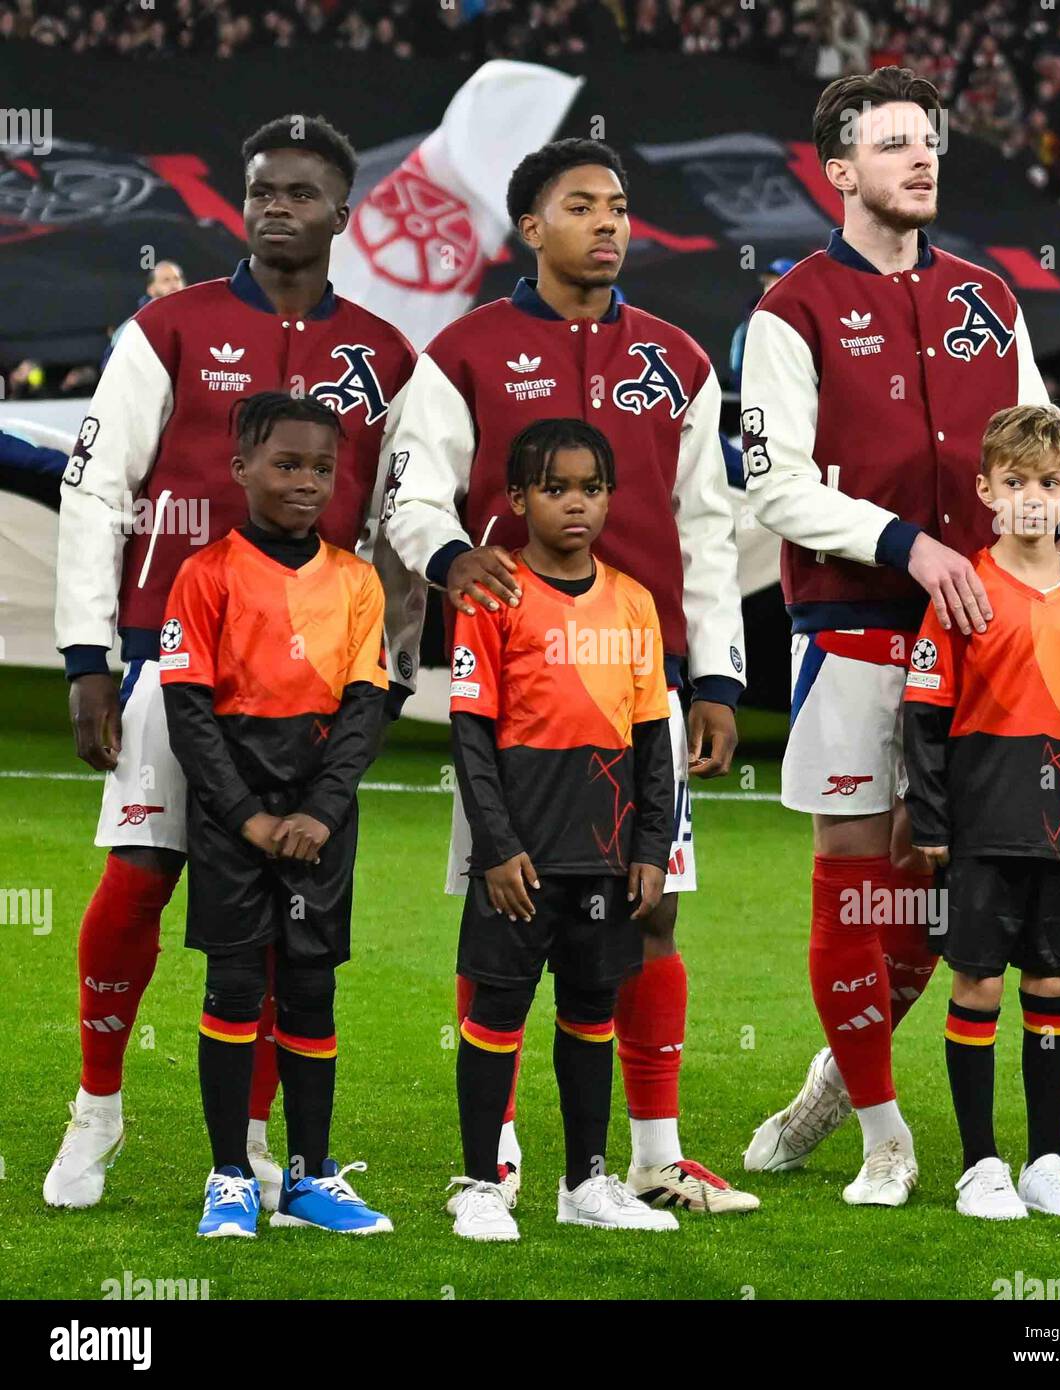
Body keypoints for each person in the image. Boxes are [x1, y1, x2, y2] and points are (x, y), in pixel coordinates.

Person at [739, 67, 1060, 1206]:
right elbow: (772, 482)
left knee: (948, 886)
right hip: (857, 627)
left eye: (929, 143)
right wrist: (907, 544)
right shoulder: (789, 307)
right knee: (859, 881)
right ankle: (879, 1131)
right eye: (893, 143)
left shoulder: (983, 298)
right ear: (839, 170)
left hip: (996, 641)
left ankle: (836, 1076)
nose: (921, 159)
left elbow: (1040, 437)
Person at [45, 113, 421, 1212]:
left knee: (280, 905)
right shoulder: (166, 327)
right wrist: (83, 655)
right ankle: (97, 1108)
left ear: (341, 213)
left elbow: (402, 523)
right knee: (137, 878)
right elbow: (95, 486)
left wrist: (388, 667)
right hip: (175, 657)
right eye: (260, 190)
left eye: (299, 193)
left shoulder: (389, 355)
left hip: (312, 683)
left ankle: (254, 1144)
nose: (273, 207)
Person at [383, 138, 757, 1214]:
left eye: (620, 206)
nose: (608, 222)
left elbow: (707, 528)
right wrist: (452, 558)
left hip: (642, 681)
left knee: (649, 910)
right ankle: (491, 1162)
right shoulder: (462, 350)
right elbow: (411, 494)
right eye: (580, 205)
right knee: (501, 906)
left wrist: (718, 676)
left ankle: (648, 1157)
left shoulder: (680, 358)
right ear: (529, 228)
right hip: (516, 688)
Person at [160, 391, 392, 1237]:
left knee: (309, 990)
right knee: (231, 987)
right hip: (235, 823)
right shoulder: (205, 574)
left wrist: (322, 813)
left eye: (321, 468)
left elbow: (365, 708)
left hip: (320, 824)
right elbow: (189, 714)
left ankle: (309, 1175)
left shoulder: (357, 581)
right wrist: (247, 818)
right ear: (242, 469)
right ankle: (228, 1175)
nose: (305, 482)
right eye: (286, 464)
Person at [448, 418, 679, 1240]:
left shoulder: (636, 602)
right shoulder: (494, 596)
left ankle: (586, 1183)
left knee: (591, 1011)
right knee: (497, 1012)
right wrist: (498, 847)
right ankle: (479, 1181)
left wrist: (653, 850)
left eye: (591, 488)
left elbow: (654, 741)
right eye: (555, 488)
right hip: (523, 856)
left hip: (607, 857)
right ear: (517, 499)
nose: (575, 504)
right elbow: (471, 735)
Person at [902, 404, 1060, 1220]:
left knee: (1053, 980)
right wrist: (929, 823)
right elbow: (924, 716)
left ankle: (1048, 1161)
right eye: (1014, 482)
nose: (1031, 497)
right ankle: (981, 1163)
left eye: (1048, 483)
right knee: (977, 983)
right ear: (985, 490)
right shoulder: (963, 589)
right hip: (981, 823)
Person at [728, 257, 796, 390]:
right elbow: (738, 370)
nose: (769, 286)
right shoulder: (749, 325)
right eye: (768, 282)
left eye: (776, 281)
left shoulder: (808, 318)